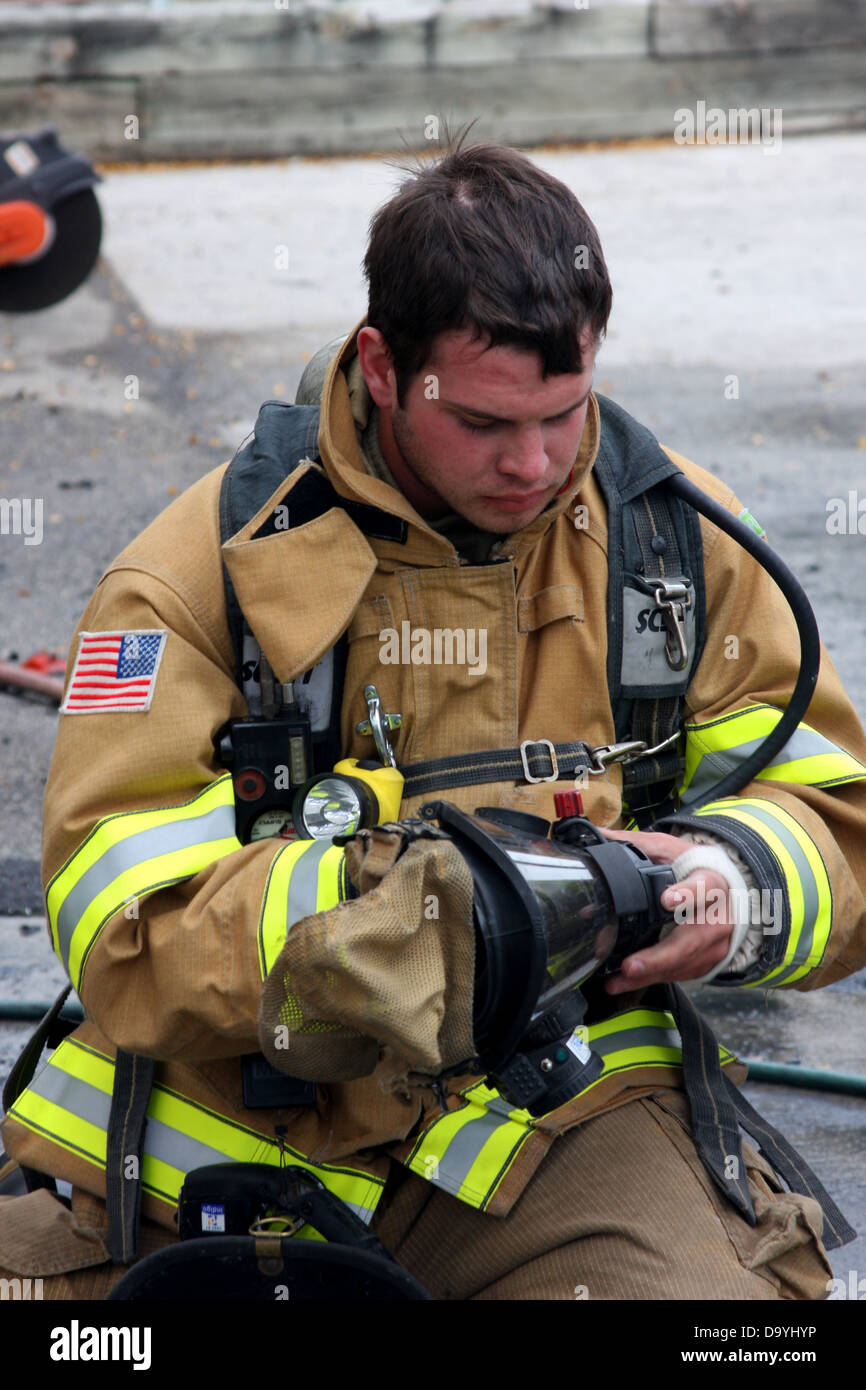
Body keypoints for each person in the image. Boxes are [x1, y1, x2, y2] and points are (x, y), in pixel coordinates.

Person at [2, 131, 865, 1302]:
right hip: (230, 1141)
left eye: (564, 411)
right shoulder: (187, 582)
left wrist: (735, 877)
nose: (535, 463)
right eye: (480, 422)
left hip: (559, 1122)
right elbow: (115, 922)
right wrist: (396, 922)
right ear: (378, 364)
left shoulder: (671, 547)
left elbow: (838, 819)